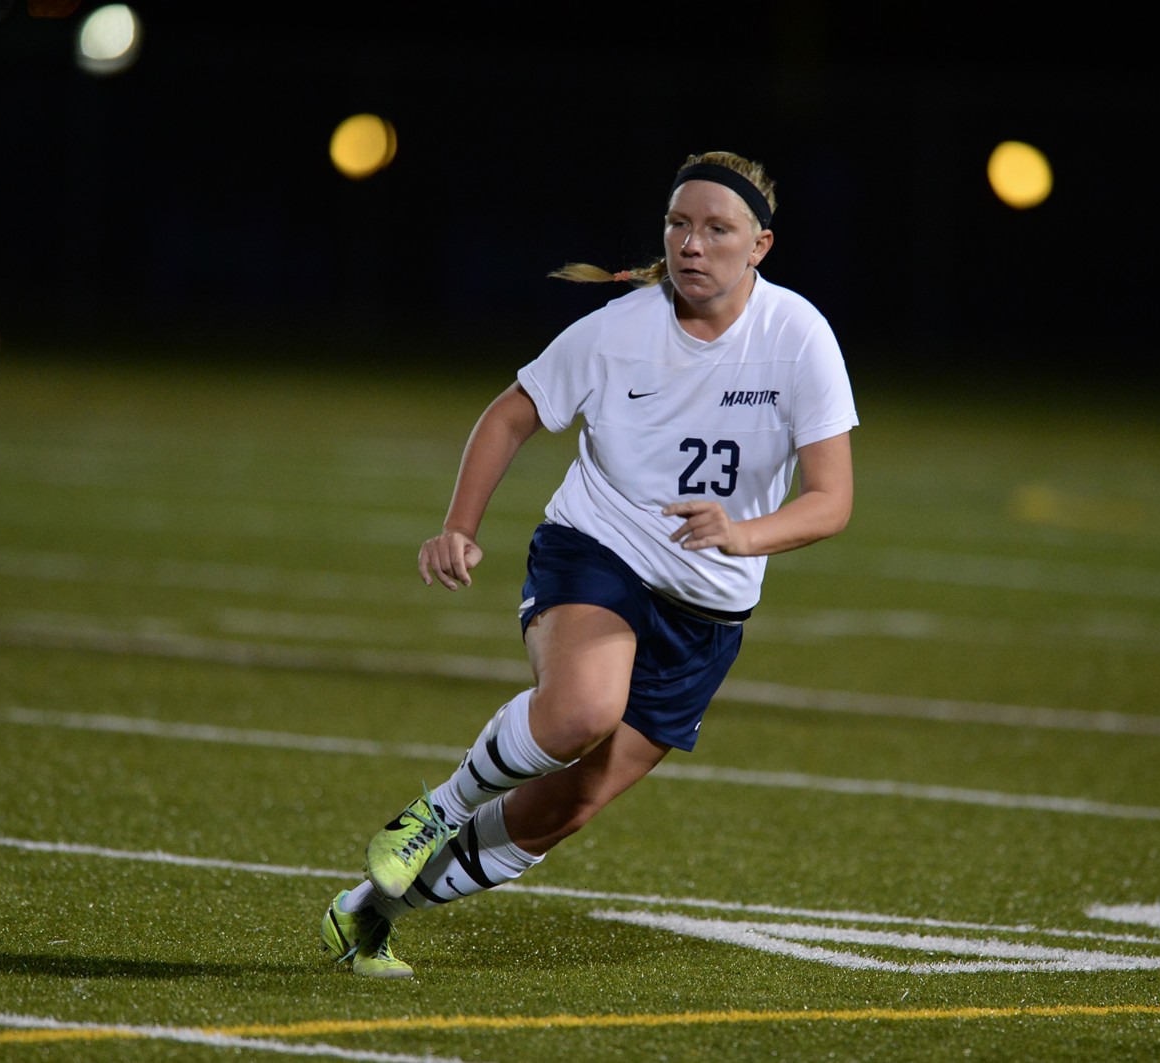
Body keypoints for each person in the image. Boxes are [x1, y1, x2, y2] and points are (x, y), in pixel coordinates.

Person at [320, 150, 858, 978]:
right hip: (597, 551)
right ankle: (434, 812)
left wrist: (741, 534)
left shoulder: (798, 336)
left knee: (566, 806)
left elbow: (832, 499)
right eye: (680, 224)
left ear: (761, 246)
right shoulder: (621, 328)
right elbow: (509, 415)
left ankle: (373, 910)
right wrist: (459, 525)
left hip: (708, 608)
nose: (692, 244)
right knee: (580, 710)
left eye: (719, 229)